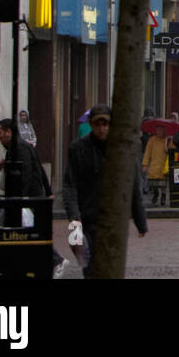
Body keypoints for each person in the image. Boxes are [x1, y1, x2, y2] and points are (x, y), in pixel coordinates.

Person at [62, 105, 148, 276]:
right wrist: (74, 216)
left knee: (110, 263)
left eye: (105, 124)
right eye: (97, 124)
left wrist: (140, 221)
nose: (102, 129)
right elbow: (70, 184)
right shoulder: (77, 148)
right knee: (90, 264)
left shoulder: (123, 150)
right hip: (88, 217)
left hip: (114, 218)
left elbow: (133, 187)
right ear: (90, 124)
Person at [0, 118, 65, 276]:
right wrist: (48, 192)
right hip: (31, 197)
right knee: (30, 231)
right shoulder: (18, 146)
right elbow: (38, 167)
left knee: (33, 232)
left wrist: (20, 198)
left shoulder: (19, 147)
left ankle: (56, 260)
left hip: (29, 198)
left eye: (0, 134)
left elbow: (26, 172)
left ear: (9, 132)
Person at [142, 124, 171, 207]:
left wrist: (167, 143)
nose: (159, 132)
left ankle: (163, 196)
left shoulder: (167, 140)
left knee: (164, 183)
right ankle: (156, 193)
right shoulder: (152, 140)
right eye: (157, 130)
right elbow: (147, 152)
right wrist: (145, 163)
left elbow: (170, 150)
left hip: (163, 165)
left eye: (160, 130)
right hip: (154, 165)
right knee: (154, 183)